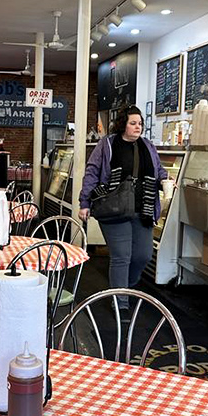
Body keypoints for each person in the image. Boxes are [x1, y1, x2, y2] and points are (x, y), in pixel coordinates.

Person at [79, 106, 169, 307]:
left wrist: (165, 180)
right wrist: (85, 202)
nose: (138, 127)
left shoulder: (148, 146)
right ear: (123, 125)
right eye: (133, 123)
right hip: (114, 209)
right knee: (121, 256)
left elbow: (159, 169)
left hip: (142, 209)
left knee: (142, 255)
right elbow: (92, 172)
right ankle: (120, 302)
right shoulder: (107, 144)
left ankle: (122, 287)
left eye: (140, 124)